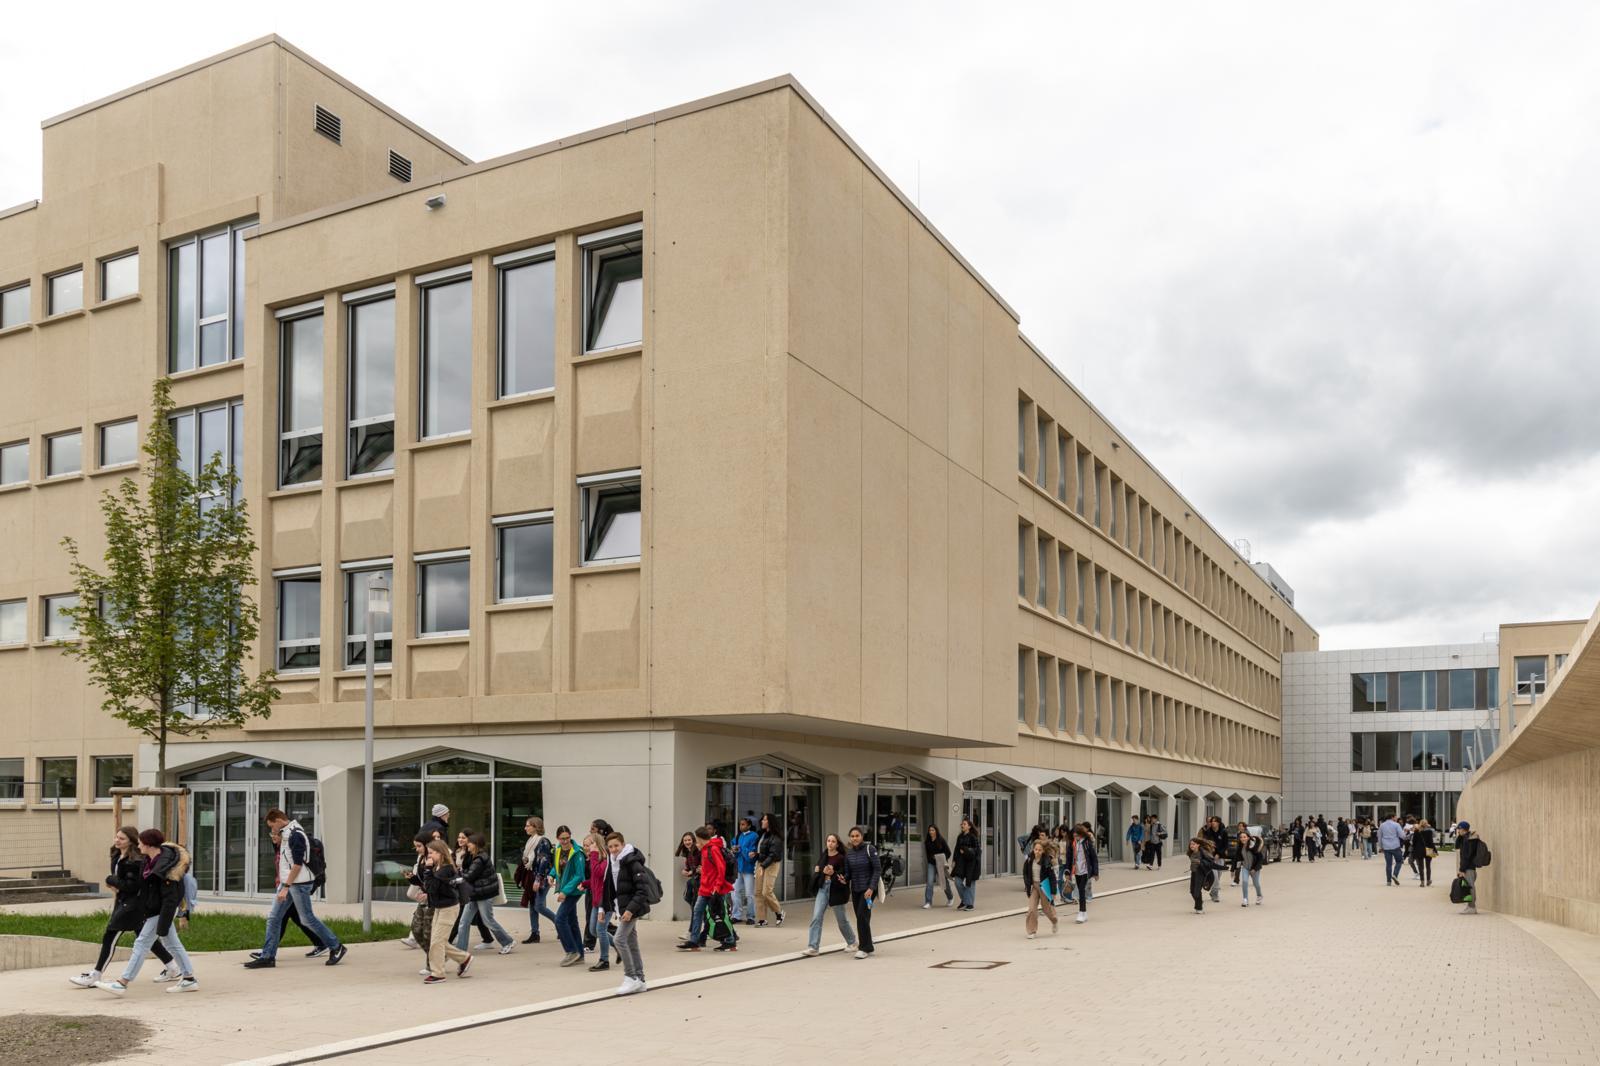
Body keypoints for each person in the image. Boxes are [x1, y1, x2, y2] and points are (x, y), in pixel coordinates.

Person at [70, 826, 178, 990]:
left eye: (121, 839)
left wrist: (111, 880)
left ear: (131, 841)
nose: (117, 840)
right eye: (116, 837)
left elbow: (132, 886)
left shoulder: (135, 861)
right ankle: (172, 967)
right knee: (144, 937)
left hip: (133, 905)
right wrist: (115, 885)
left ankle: (96, 975)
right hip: (123, 901)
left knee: (110, 936)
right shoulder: (116, 854)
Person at [95, 830, 198, 995]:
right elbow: (144, 889)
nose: (139, 845)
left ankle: (122, 983)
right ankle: (188, 979)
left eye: (141, 843)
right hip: (153, 910)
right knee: (172, 944)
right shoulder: (149, 861)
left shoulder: (167, 868)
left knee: (141, 943)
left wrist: (164, 922)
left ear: (149, 845)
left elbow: (170, 899)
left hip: (161, 911)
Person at [241, 810, 344, 970]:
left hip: (298, 884)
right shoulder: (287, 834)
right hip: (288, 882)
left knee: (307, 919)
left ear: (279, 820)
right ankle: (267, 957)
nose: (272, 829)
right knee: (274, 918)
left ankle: (336, 946)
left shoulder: (296, 835)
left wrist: (286, 887)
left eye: (272, 825)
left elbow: (297, 864)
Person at [409, 840, 472, 983]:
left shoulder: (445, 869)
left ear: (440, 853)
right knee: (438, 941)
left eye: (431, 853)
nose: (429, 856)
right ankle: (464, 958)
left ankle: (438, 974)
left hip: (448, 909)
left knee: (437, 942)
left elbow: (430, 887)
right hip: (440, 907)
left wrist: (427, 870)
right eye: (428, 853)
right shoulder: (439, 867)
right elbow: (432, 888)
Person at [602, 831, 651, 995]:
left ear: (623, 845)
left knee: (618, 939)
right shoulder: (612, 862)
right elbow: (609, 887)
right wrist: (603, 908)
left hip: (632, 908)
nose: (613, 849)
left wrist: (630, 910)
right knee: (632, 943)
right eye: (610, 847)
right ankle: (641, 980)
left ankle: (631, 977)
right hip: (622, 907)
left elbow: (642, 889)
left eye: (616, 845)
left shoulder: (632, 862)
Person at [454, 831, 514, 955]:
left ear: (475, 845)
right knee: (464, 921)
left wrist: (456, 877)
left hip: (483, 894)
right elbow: (466, 869)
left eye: (469, 843)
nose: (467, 845)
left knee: (488, 920)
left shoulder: (480, 858)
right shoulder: (472, 856)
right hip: (474, 894)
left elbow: (469, 875)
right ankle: (460, 950)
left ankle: (507, 941)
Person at [680, 823, 738, 951]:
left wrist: (717, 887)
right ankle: (694, 941)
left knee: (720, 914)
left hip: (715, 889)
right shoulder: (705, 850)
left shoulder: (713, 849)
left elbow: (721, 868)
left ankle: (730, 941)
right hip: (705, 889)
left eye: (696, 838)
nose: (696, 841)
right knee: (697, 912)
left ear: (700, 838)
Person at [804, 833, 857, 956]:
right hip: (823, 888)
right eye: (828, 841)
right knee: (816, 917)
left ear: (837, 844)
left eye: (833, 841)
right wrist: (821, 871)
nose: (830, 843)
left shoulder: (841, 858)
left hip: (836, 890)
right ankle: (813, 947)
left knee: (841, 920)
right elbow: (818, 870)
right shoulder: (824, 856)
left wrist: (833, 872)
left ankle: (852, 942)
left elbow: (844, 875)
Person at [550, 825, 588, 966]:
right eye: (562, 839)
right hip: (565, 889)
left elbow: (579, 875)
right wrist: (551, 875)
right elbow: (557, 866)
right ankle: (579, 954)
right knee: (572, 922)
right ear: (557, 838)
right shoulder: (558, 849)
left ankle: (571, 951)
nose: (565, 841)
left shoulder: (577, 853)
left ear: (570, 836)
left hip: (574, 891)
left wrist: (565, 891)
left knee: (559, 919)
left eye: (567, 838)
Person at [515, 816, 556, 944]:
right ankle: (535, 933)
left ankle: (560, 923)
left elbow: (544, 861)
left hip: (541, 878)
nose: (525, 828)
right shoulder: (531, 841)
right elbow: (528, 859)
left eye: (528, 825)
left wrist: (538, 880)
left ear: (535, 826)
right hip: (532, 876)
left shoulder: (543, 841)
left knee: (538, 905)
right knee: (533, 905)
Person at [843, 826, 882, 958]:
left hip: (868, 890)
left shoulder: (870, 849)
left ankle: (864, 948)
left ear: (862, 836)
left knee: (861, 916)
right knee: (862, 917)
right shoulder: (849, 853)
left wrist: (871, 888)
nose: (854, 838)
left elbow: (877, 870)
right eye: (852, 836)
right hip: (856, 890)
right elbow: (848, 874)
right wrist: (843, 879)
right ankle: (868, 945)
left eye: (857, 836)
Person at [581, 832, 618, 971]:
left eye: (589, 844)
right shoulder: (594, 858)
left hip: (605, 901)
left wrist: (594, 854)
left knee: (600, 930)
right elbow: (596, 880)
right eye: (585, 845)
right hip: (597, 901)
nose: (586, 848)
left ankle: (604, 960)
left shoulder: (604, 859)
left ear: (596, 844)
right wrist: (585, 884)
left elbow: (598, 873)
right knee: (593, 930)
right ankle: (618, 945)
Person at [1021, 837, 1058, 938]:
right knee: (1032, 909)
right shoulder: (1029, 859)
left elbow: (1052, 877)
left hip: (1044, 886)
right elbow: (1025, 873)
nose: (1037, 851)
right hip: (1035, 887)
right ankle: (1032, 931)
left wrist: (1053, 892)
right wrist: (1028, 886)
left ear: (1043, 851)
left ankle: (1054, 921)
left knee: (1046, 909)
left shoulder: (1047, 861)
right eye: (1035, 849)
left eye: (1039, 850)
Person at [753, 812, 785, 927]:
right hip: (761, 863)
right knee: (758, 892)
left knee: (766, 891)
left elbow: (773, 855)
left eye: (765, 820)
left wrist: (762, 865)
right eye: (762, 819)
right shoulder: (763, 834)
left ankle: (779, 912)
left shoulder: (776, 837)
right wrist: (756, 855)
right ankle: (762, 919)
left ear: (770, 822)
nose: (762, 821)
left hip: (771, 864)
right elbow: (764, 852)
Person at [1066, 823, 1098, 923]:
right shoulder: (1073, 844)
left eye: (1077, 835)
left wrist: (1096, 873)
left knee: (1081, 890)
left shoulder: (1087, 843)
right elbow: (1069, 858)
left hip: (1085, 871)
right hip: (1077, 871)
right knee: (1080, 891)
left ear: (1081, 834)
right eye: (1074, 836)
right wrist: (1067, 872)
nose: (1075, 837)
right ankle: (1084, 913)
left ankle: (1081, 912)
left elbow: (1094, 858)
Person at [1187, 836, 1225, 915]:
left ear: (1198, 845)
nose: (1191, 846)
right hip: (1193, 873)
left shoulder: (1203, 853)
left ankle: (1199, 908)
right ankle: (1199, 902)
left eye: (1193, 844)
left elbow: (1210, 864)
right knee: (1192, 891)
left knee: (1197, 891)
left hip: (1201, 873)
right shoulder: (1190, 853)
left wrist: (1200, 862)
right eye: (1191, 844)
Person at [730, 817, 758, 924]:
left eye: (743, 824)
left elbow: (752, 853)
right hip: (738, 868)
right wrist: (735, 850)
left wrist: (741, 848)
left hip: (749, 868)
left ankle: (751, 916)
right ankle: (736, 915)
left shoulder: (754, 836)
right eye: (740, 824)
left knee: (749, 894)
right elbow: (735, 852)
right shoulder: (738, 836)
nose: (741, 826)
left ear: (749, 825)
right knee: (735, 891)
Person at [1455, 821, 1487, 914]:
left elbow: (1466, 856)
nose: (1458, 831)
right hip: (1469, 867)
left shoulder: (1469, 840)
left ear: (1463, 829)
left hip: (1469, 868)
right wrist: (1460, 836)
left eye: (1459, 829)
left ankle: (1472, 907)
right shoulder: (1466, 838)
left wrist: (1462, 869)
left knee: (1470, 887)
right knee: (1468, 887)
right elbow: (1457, 846)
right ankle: (1470, 906)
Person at [951, 817, 981, 911]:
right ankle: (965, 900)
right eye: (962, 824)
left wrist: (966, 851)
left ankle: (969, 904)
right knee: (957, 881)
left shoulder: (973, 837)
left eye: (964, 824)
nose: (962, 825)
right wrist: (954, 860)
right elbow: (956, 849)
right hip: (961, 863)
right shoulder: (960, 836)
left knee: (970, 883)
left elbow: (977, 851)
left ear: (969, 826)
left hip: (971, 864)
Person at [922, 824, 953, 908]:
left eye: (933, 830)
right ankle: (928, 902)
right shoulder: (927, 841)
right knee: (929, 882)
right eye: (930, 830)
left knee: (944, 882)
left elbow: (948, 852)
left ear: (936, 831)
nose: (931, 832)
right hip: (931, 864)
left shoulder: (941, 840)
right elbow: (928, 855)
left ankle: (950, 898)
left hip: (940, 864)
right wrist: (931, 860)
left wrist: (942, 858)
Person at [1201, 816, 1229, 902]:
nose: (1212, 823)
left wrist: (1219, 854)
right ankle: (1215, 895)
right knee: (1215, 876)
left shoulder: (1224, 832)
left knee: (1219, 875)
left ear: (1218, 823)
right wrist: (1211, 855)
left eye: (1214, 821)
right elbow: (1205, 845)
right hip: (1211, 858)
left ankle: (1212, 892)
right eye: (1211, 821)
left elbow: (1225, 845)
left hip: (1220, 857)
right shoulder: (1208, 832)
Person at [1237, 828, 1264, 906]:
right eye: (1241, 837)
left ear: (1248, 837)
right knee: (1244, 882)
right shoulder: (1240, 846)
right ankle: (1245, 899)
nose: (1242, 839)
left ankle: (1259, 895)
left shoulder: (1253, 846)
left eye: (1244, 837)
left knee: (1256, 883)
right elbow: (1237, 858)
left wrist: (1254, 869)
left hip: (1254, 868)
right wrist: (1234, 868)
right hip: (1245, 867)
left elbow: (1260, 859)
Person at [1377, 813, 1406, 885]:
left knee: (1388, 864)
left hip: (1386, 847)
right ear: (1392, 817)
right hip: (1395, 845)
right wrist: (1406, 835)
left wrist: (1381, 847)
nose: (1396, 818)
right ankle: (1395, 875)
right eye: (1395, 817)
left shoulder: (1382, 825)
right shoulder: (1396, 825)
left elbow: (1379, 837)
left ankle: (1388, 881)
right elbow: (1402, 836)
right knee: (1399, 861)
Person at [1051, 824, 1074, 903]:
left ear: (1067, 832)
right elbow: (1055, 849)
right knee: (1059, 880)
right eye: (1061, 832)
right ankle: (1062, 896)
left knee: (1068, 880)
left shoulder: (1070, 841)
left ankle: (1069, 897)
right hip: (1060, 862)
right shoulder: (1058, 840)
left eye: (1064, 832)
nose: (1063, 834)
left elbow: (1071, 854)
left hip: (1067, 862)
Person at [1410, 819, 1436, 888]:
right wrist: (1435, 850)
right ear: (1427, 824)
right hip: (1429, 849)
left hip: (1419, 850)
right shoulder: (1429, 831)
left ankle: (1422, 882)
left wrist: (1414, 850)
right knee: (1428, 866)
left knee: (1421, 867)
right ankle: (1428, 880)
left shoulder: (1416, 831)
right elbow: (1431, 842)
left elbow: (1414, 842)